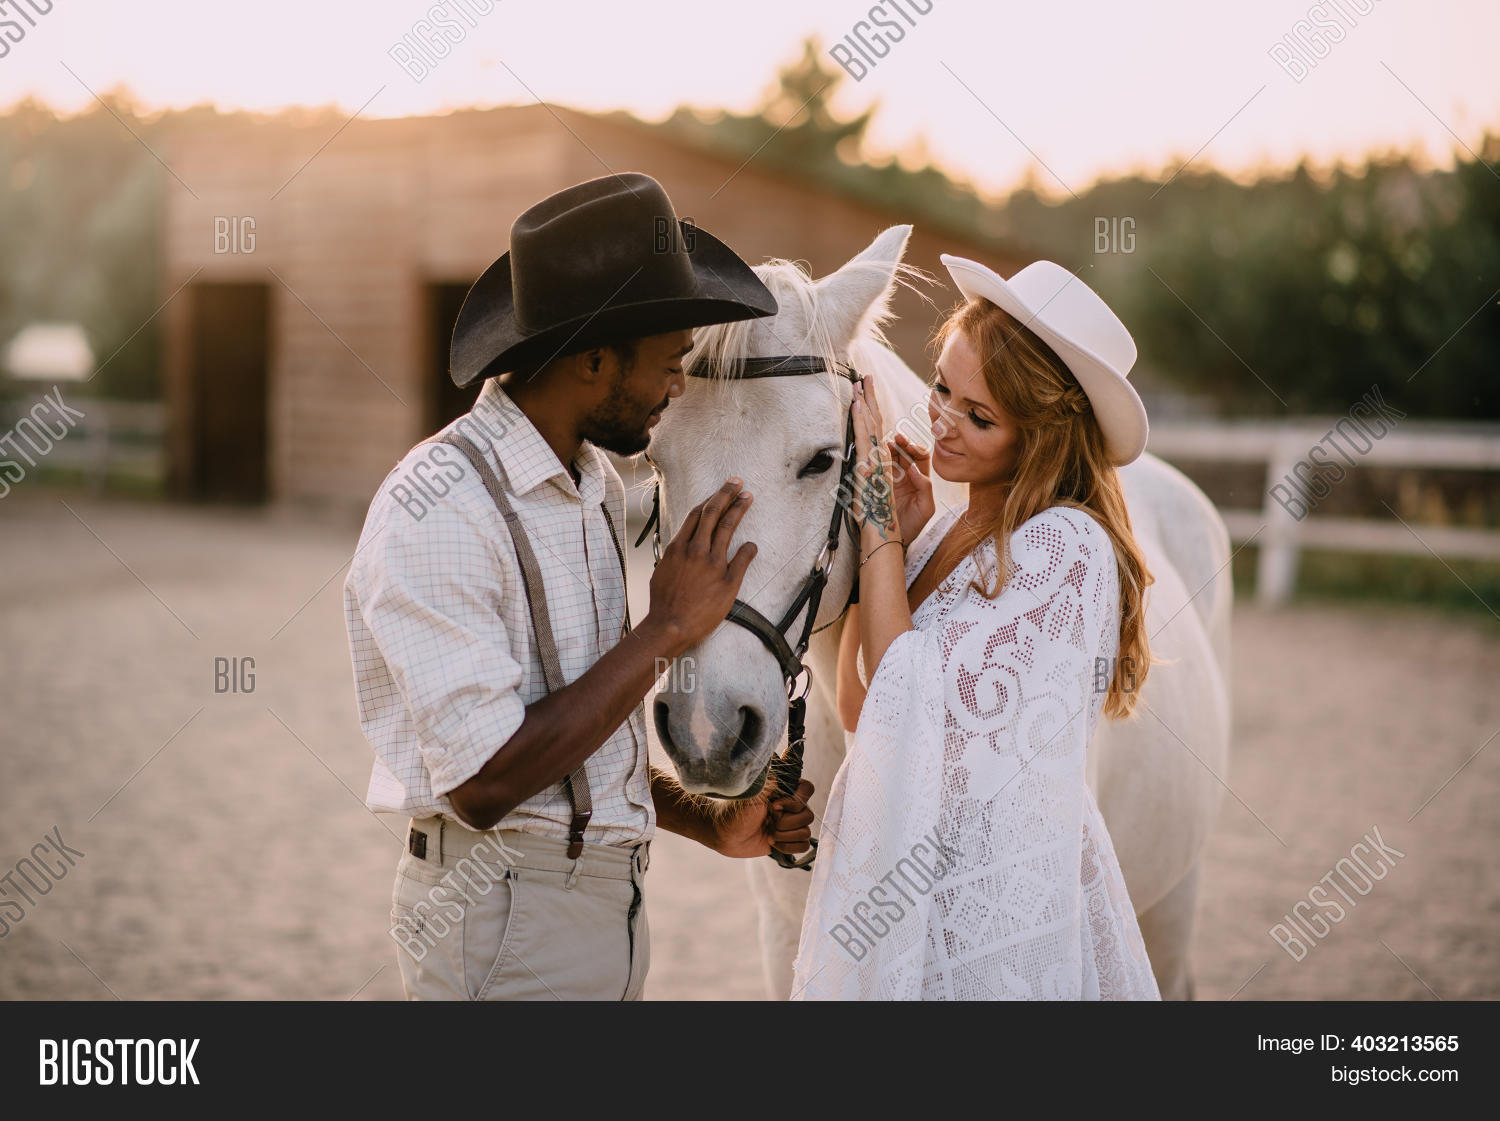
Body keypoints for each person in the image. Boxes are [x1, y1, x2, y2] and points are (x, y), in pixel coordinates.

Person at [344, 173, 815, 1001]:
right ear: (595, 360)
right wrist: (662, 630)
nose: (677, 388)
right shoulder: (441, 507)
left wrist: (709, 821)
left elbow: (575, 738)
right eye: (670, 364)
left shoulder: (589, 483)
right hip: (503, 913)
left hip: (601, 909)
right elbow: (486, 782)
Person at [792, 255, 1161, 1000]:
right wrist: (898, 543)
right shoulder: (947, 532)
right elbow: (867, 709)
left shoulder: (1066, 546)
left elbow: (910, 695)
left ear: (1044, 438)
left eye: (979, 416)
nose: (942, 423)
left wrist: (877, 531)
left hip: (984, 910)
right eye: (941, 389)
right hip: (914, 886)